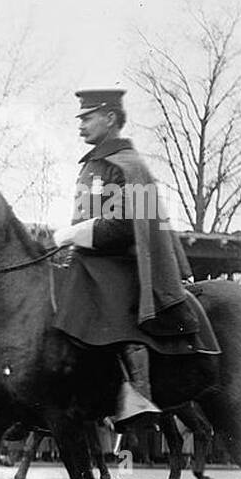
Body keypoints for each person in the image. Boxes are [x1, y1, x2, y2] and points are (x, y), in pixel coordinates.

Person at [52, 87, 203, 431]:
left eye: (87, 117)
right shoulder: (94, 164)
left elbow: (124, 226)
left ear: (110, 118)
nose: (80, 125)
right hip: (91, 260)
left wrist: (74, 234)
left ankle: (137, 395)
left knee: (111, 312)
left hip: (125, 264)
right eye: (80, 118)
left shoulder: (128, 165)